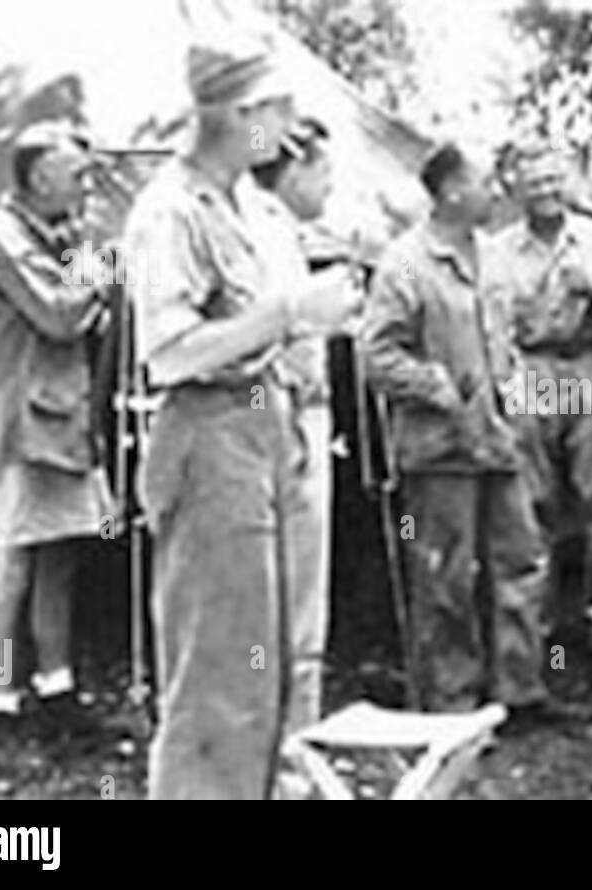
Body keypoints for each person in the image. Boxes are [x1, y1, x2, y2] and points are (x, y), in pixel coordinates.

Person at [124, 41, 354, 799]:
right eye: (281, 111)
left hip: (266, 428)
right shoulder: (167, 211)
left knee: (272, 661)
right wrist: (289, 312)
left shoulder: (255, 208)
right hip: (208, 437)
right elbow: (171, 354)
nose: (290, 133)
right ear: (242, 113)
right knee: (219, 667)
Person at [360, 143, 570, 725]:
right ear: (451, 190)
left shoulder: (495, 258)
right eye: (483, 181)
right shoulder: (404, 263)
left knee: (522, 562)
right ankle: (453, 704)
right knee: (446, 576)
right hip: (441, 448)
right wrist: (437, 386)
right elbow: (376, 355)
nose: (496, 192)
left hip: (501, 441)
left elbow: (510, 342)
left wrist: (525, 407)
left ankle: (520, 691)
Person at [0, 121, 114, 718]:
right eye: (77, 175)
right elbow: (57, 317)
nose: (87, 186)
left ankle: (56, 684)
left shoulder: (51, 238)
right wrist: (92, 274)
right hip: (14, 428)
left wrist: (85, 265)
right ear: (41, 177)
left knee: (59, 554)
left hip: (57, 422)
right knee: (16, 556)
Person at [481, 144, 592, 656]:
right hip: (532, 366)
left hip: (587, 363)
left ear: (566, 182)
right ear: (515, 188)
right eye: (533, 182)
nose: (545, 191)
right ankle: (535, 626)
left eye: (552, 180)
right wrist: (505, 383)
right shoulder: (498, 249)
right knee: (533, 500)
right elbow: (492, 324)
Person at [246, 117, 364, 732]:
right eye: (324, 173)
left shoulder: (284, 232)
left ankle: (290, 735)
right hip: (287, 414)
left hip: (292, 414)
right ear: (293, 170)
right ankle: (289, 743)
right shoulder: (265, 234)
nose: (331, 187)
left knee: (291, 594)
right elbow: (271, 335)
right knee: (295, 595)